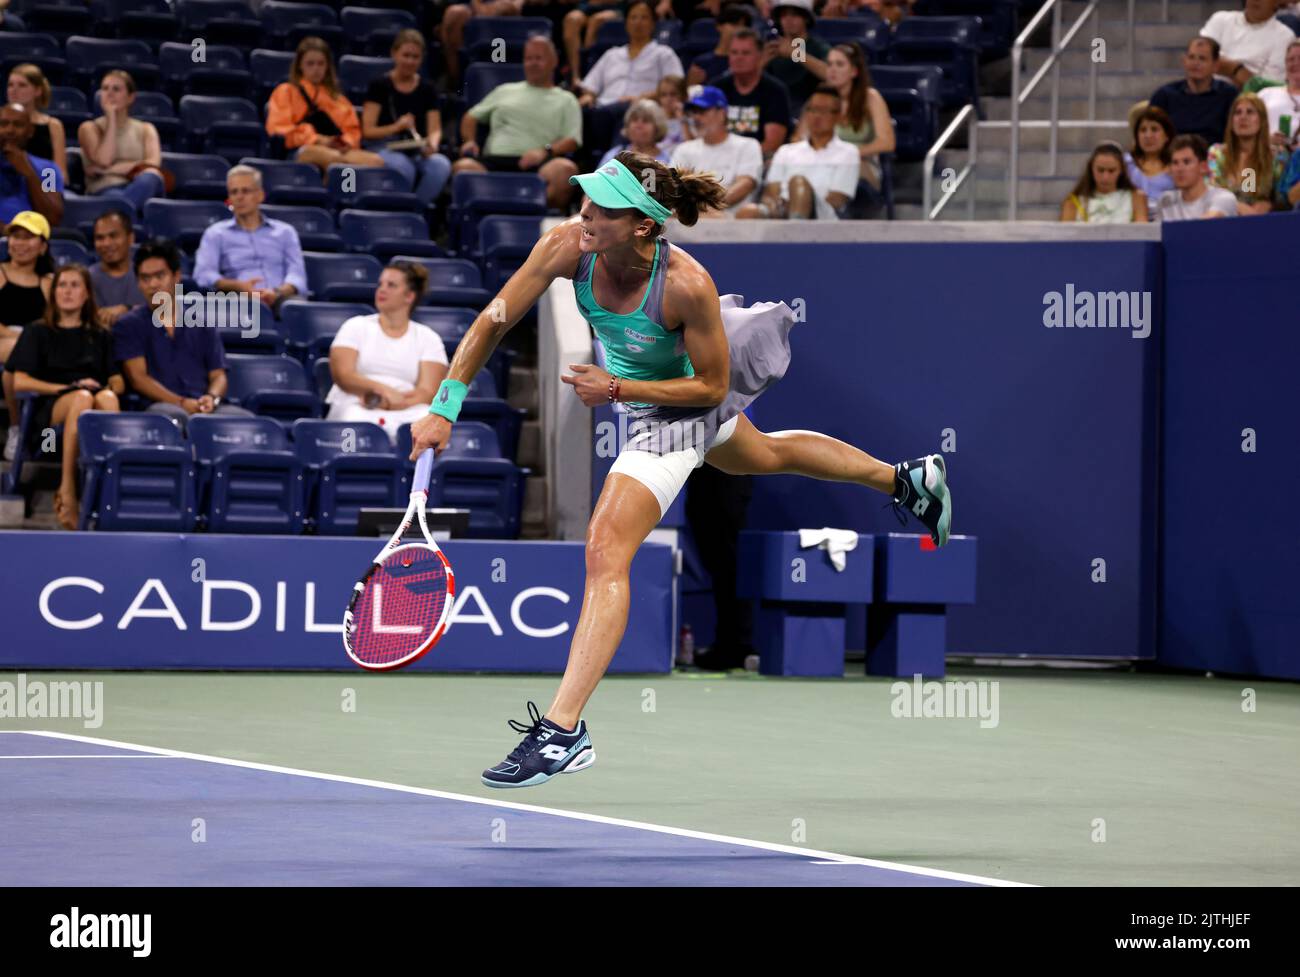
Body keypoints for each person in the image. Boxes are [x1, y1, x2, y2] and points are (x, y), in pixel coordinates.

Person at [407, 152, 953, 787]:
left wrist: (615, 389)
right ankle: (906, 480)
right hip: (646, 401)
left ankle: (562, 731)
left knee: (606, 549)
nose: (585, 211)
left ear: (641, 225)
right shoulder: (568, 245)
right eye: (587, 198)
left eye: (604, 207)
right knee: (766, 454)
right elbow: (495, 319)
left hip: (677, 409)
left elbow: (712, 387)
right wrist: (444, 406)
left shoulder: (687, 285)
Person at [6, 263, 122, 529]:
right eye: (62, 285)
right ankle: (67, 488)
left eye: (75, 285)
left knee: (107, 400)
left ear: (87, 295)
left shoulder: (100, 335)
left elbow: (117, 380)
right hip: (47, 433)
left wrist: (106, 389)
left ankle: (107, 492)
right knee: (82, 398)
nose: (67, 291)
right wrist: (66, 389)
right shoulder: (37, 331)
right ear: (53, 292)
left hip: (90, 405)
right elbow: (20, 382)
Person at [112, 238, 253, 433]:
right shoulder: (128, 325)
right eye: (145, 278)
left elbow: (218, 375)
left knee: (247, 423)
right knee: (175, 419)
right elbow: (138, 379)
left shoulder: (201, 323)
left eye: (160, 276)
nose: (153, 284)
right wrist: (181, 402)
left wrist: (211, 398)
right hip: (160, 407)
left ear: (176, 276)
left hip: (203, 405)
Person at [455, 35, 582, 210]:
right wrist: (469, 140)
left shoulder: (567, 99)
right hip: (493, 162)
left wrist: (545, 151)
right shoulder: (505, 90)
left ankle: (539, 220)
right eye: (529, 58)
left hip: (540, 165)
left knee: (565, 170)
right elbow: (470, 117)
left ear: (554, 61)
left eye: (538, 58)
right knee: (463, 168)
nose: (533, 63)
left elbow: (572, 140)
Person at [325, 261, 448, 440]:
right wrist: (383, 391)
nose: (382, 290)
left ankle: (413, 468)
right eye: (380, 284)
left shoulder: (429, 338)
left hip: (406, 407)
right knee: (353, 423)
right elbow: (343, 375)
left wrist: (395, 403)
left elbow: (428, 391)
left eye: (391, 285)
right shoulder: (355, 326)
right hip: (357, 403)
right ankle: (348, 464)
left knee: (428, 423)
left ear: (409, 296)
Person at [193, 165, 308, 315]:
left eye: (246, 191)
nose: (239, 197)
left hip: (280, 298)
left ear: (260, 195)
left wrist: (276, 292)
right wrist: (238, 286)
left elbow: (297, 275)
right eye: (234, 192)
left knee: (297, 308)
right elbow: (203, 274)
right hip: (237, 299)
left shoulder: (285, 232)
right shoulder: (216, 234)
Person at [735, 86, 860, 219]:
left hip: (821, 213)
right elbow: (770, 193)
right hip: (781, 211)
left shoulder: (848, 152)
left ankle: (794, 233)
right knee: (748, 212)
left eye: (824, 111)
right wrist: (776, 207)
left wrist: (799, 203)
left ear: (838, 116)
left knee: (798, 183)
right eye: (812, 110)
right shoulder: (786, 151)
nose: (817, 116)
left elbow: (837, 199)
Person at [267, 37, 386, 174]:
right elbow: (279, 129)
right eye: (310, 64)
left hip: (337, 150)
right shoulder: (286, 91)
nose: (316, 69)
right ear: (300, 65)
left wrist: (343, 142)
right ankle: (335, 193)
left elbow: (352, 132)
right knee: (335, 160)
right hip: (301, 149)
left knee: (376, 161)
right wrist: (317, 139)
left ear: (327, 66)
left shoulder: (339, 99)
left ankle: (348, 192)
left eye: (320, 64)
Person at [361, 30, 451, 209]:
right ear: (394, 54)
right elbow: (368, 131)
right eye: (406, 55)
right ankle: (401, 212)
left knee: (441, 165)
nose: (410, 61)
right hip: (384, 146)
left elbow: (435, 129)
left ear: (422, 59)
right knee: (404, 167)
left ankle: (415, 210)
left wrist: (432, 145)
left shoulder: (428, 89)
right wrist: (396, 127)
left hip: (415, 148)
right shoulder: (379, 85)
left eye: (415, 57)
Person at [800, 43, 895, 189]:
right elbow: (799, 138)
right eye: (830, 64)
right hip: (821, 162)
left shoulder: (870, 98)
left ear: (854, 72)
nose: (832, 69)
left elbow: (887, 143)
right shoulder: (818, 99)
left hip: (861, 163)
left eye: (839, 64)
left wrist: (844, 155)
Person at [1, 210, 53, 460]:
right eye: (16, 237)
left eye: (28, 237)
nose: (19, 243)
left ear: (42, 246)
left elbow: (55, 323)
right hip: (4, 342)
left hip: (34, 349)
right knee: (16, 350)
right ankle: (15, 427)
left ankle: (24, 429)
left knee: (21, 355)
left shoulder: (48, 283)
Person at [78, 71, 165, 215]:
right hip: (105, 191)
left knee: (151, 176)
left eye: (116, 89)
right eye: (105, 89)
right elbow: (105, 160)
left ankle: (122, 216)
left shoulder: (146, 129)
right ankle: (125, 216)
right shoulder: (89, 128)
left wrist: (108, 171)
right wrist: (111, 118)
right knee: (117, 201)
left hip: (143, 188)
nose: (109, 93)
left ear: (130, 98)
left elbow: (152, 165)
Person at [669, 85, 762, 214]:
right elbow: (673, 188)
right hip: (690, 221)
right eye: (693, 112)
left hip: (734, 221)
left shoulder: (747, 145)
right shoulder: (684, 150)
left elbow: (746, 184)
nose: (696, 117)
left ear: (722, 113)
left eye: (702, 111)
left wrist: (707, 208)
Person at [714, 27, 793, 158]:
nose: (738, 58)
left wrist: (739, 161)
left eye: (745, 53)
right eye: (734, 52)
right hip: (718, 158)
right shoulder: (717, 88)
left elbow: (772, 144)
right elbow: (707, 133)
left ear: (760, 56)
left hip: (758, 159)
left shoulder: (775, 91)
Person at [1149, 37, 1240, 146]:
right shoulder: (1164, 95)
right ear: (1184, 61)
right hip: (1173, 159)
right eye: (1191, 57)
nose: (1195, 63)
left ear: (1216, 65)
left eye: (1202, 59)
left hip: (1215, 159)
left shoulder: (1229, 95)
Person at [1208, 92, 1286, 213]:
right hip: (1224, 219)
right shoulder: (1217, 153)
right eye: (1237, 112)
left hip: (1264, 221)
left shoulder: (1276, 156)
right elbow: (1211, 193)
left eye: (1250, 112)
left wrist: (1270, 205)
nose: (1243, 117)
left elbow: (1283, 199)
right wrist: (1238, 206)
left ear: (1262, 120)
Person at [1200, 0, 1294, 87]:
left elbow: (1268, 88)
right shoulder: (1220, 19)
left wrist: (1234, 69)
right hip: (1205, 92)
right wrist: (1241, 74)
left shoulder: (1284, 36)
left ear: (1276, 2)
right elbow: (1199, 60)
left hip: (1249, 101)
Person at [0, 101, 63, 227]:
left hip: (32, 239)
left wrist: (29, 173)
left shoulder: (48, 170)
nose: (10, 130)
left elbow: (53, 218)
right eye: (3, 124)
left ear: (30, 131)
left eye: (18, 125)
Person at [762, 0, 830, 112]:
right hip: (773, 107)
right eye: (784, 15)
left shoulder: (818, 47)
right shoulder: (771, 47)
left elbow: (831, 74)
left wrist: (796, 54)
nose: (788, 20)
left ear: (806, 18)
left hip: (808, 107)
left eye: (794, 15)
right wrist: (762, 61)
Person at [1156, 134, 1241, 220]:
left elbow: (1201, 228)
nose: (1179, 169)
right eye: (1175, 163)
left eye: (1186, 162)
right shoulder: (1165, 201)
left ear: (1203, 167)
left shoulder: (1223, 198)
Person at [1060, 142, 1149, 222]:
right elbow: (1065, 237)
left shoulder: (1136, 198)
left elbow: (1142, 234)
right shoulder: (1073, 202)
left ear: (1121, 170)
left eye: (1111, 171)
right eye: (1100, 170)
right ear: (1091, 169)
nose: (1105, 177)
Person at [7, 64, 66, 181]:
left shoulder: (53, 125)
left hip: (43, 185)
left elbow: (61, 172)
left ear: (38, 91)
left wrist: (45, 192)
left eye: (22, 85)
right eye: (10, 85)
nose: (14, 90)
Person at [87, 208, 145, 327]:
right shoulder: (86, 278)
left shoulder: (148, 275)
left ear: (130, 238)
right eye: (100, 238)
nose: (106, 243)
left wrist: (127, 309)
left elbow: (167, 313)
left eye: (113, 236)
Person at [687, 4, 753, 87]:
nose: (739, 29)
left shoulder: (748, 62)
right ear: (719, 26)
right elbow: (691, 94)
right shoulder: (701, 63)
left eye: (743, 26)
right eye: (734, 24)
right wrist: (691, 84)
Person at [597, 98, 672, 167]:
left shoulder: (667, 161)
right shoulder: (614, 154)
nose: (638, 125)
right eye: (634, 119)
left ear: (658, 128)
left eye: (646, 120)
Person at [1125, 105, 1176, 201]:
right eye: (1143, 130)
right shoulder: (1126, 163)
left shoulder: (1177, 164)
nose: (1148, 136)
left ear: (1167, 136)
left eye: (1154, 129)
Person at [1258, 39, 1300, 150]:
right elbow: (1244, 132)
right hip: (1268, 156)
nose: (1296, 63)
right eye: (1291, 59)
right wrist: (1267, 140)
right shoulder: (1265, 94)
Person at [654, 75, 689, 153]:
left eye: (673, 94)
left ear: (684, 96)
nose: (668, 99)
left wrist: (682, 119)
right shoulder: (654, 120)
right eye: (663, 95)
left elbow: (691, 146)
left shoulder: (690, 119)